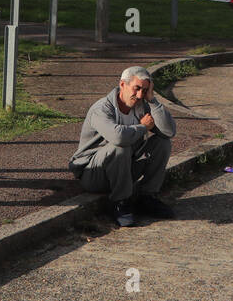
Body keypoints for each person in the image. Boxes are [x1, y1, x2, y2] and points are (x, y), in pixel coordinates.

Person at [70, 66, 177, 226]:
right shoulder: (101, 109)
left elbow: (169, 132)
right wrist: (142, 128)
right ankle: (120, 202)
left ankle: (147, 198)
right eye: (137, 88)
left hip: (124, 170)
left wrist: (153, 101)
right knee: (120, 146)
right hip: (94, 174)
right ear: (122, 85)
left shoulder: (143, 105)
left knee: (162, 143)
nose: (140, 94)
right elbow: (118, 137)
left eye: (145, 90)